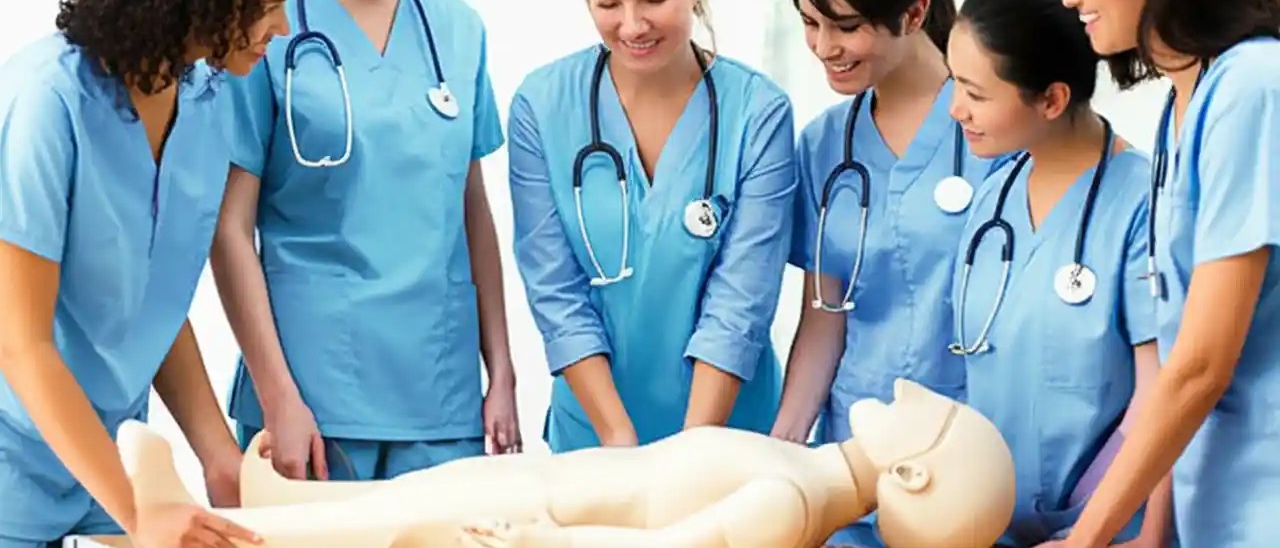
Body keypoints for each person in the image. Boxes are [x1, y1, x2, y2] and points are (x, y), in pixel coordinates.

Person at [0, 0, 310, 548]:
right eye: (268, 4)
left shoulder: (205, 104)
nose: (283, 27)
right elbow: (20, 345)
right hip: (14, 471)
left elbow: (156, 304)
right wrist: (139, 511)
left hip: (108, 465)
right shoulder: (48, 104)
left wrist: (218, 458)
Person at [211, 0, 521, 484]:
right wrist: (278, 396)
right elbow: (229, 230)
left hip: (440, 393)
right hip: (316, 393)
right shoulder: (266, 26)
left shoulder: (457, 30)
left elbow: (471, 213)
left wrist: (502, 369)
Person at [1039, 0, 1280, 546]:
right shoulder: (1186, 105)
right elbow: (1177, 358)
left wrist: (1088, 536)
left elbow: (1203, 364)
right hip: (1218, 508)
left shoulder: (1252, 89)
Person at [507, 0, 795, 453]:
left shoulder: (757, 114)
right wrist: (617, 439)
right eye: (607, 4)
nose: (632, 26)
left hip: (725, 439)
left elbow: (741, 302)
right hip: (597, 436)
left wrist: (691, 454)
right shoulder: (541, 106)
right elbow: (556, 292)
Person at [107, 380, 1017, 548]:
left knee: (393, 529)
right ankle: (258, 509)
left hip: (539, 513)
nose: (911, 392)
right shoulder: (808, 474)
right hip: (540, 487)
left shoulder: (790, 503)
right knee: (397, 501)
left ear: (915, 478)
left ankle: (200, 530)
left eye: (926, 420)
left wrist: (548, 539)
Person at [770, 0, 1004, 546]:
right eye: (810, 23)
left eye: (844, 26)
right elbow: (824, 314)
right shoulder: (825, 146)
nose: (823, 47)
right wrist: (784, 452)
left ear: (915, 13)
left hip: (972, 457)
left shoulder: (996, 128)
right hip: (857, 458)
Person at [945, 0, 1172, 547]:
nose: (954, 110)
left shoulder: (1141, 203)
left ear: (1051, 98)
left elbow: (1163, 394)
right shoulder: (994, 197)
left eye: (975, 94)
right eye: (954, 84)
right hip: (991, 525)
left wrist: (1135, 536)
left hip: (1109, 531)